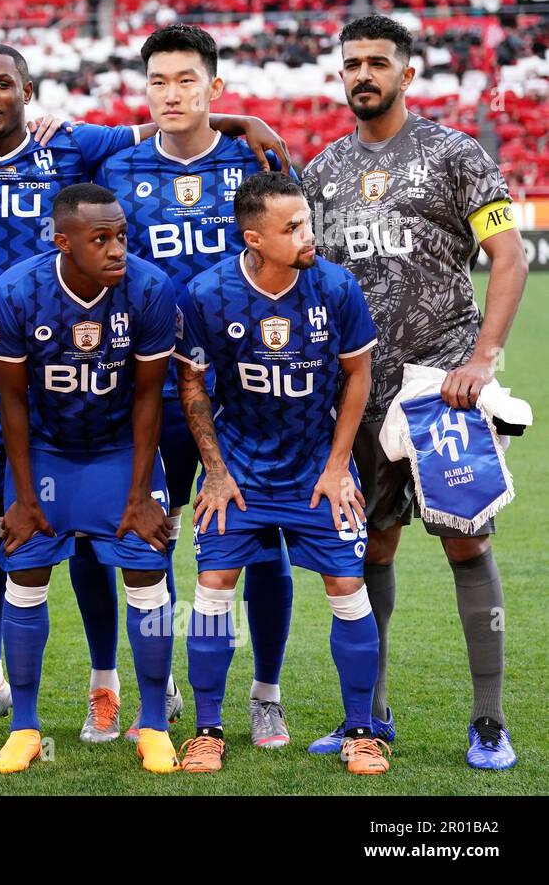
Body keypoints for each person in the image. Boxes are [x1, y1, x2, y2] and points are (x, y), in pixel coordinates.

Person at [0, 43, 292, 740]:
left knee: (126, 530)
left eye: (2, 84)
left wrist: (239, 121)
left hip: (93, 369)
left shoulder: (71, 145)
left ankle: (131, 685)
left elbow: (164, 124)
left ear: (29, 89)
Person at [302, 15, 528, 769]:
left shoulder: (454, 154)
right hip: (357, 397)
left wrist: (484, 360)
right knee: (370, 547)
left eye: (377, 62)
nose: (362, 73)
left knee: (467, 540)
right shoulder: (322, 170)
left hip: (442, 389)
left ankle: (489, 720)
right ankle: (369, 716)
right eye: (352, 63)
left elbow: (509, 256)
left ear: (408, 72)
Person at [97, 24, 296, 748]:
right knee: (151, 534)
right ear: (142, 90)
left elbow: (293, 260)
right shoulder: (117, 168)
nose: (171, 93)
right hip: (148, 388)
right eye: (158, 81)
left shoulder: (256, 159)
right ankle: (163, 687)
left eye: (187, 80)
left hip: (246, 393)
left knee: (260, 538)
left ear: (215, 87)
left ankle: (265, 692)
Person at [173, 172, 388, 776]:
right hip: (239, 470)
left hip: (315, 471)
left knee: (348, 589)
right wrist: (214, 472)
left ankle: (362, 732)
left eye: (308, 221)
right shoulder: (208, 293)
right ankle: (208, 729)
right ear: (254, 239)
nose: (307, 234)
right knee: (213, 588)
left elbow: (357, 377)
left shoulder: (335, 286)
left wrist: (339, 465)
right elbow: (190, 384)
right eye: (292, 228)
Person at [0, 184, 178, 774]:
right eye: (101, 240)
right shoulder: (16, 291)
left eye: (121, 236)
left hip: (120, 447)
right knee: (26, 567)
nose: (117, 249)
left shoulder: (150, 289)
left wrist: (142, 494)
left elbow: (150, 400)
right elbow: (11, 404)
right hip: (47, 449)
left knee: (147, 563)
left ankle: (154, 722)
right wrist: (19, 494)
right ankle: (25, 727)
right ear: (63, 242)